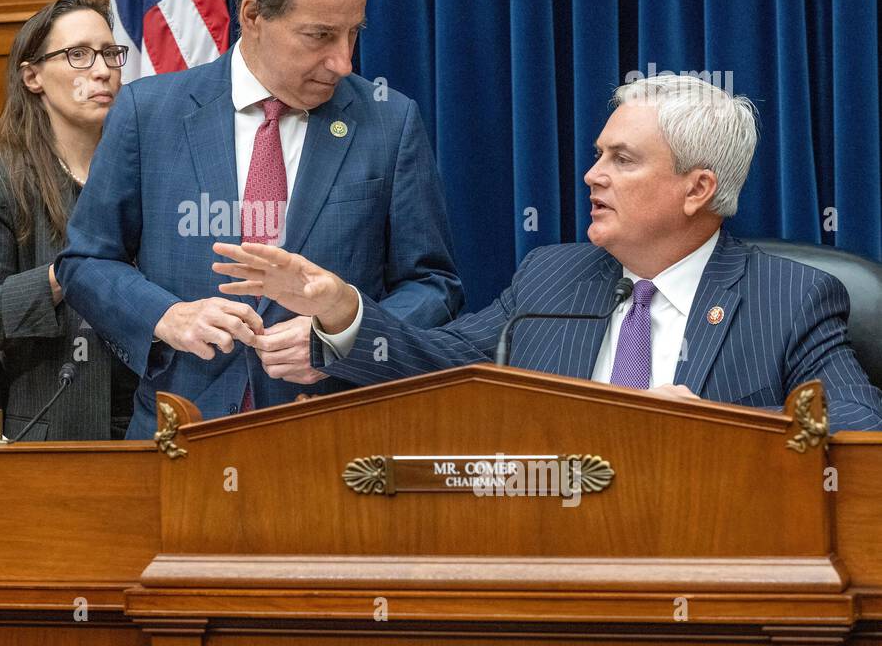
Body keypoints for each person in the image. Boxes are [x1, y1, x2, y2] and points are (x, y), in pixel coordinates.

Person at [213, 73, 882, 432]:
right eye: (598, 155)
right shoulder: (553, 277)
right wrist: (341, 309)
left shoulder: (790, 298)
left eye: (622, 160)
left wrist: (720, 427)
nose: (593, 176)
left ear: (698, 188)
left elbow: (856, 425)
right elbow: (440, 363)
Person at [56, 0, 463, 439]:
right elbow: (86, 261)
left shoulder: (389, 121)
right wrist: (166, 316)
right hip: (182, 433)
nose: (343, 62)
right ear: (252, 15)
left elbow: (433, 285)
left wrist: (343, 336)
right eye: (320, 36)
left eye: (353, 34)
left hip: (333, 438)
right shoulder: (147, 112)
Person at [0, 0, 138, 440]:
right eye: (79, 55)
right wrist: (62, 276)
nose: (102, 70)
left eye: (110, 53)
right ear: (32, 76)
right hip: (58, 433)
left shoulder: (147, 172)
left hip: (156, 422)